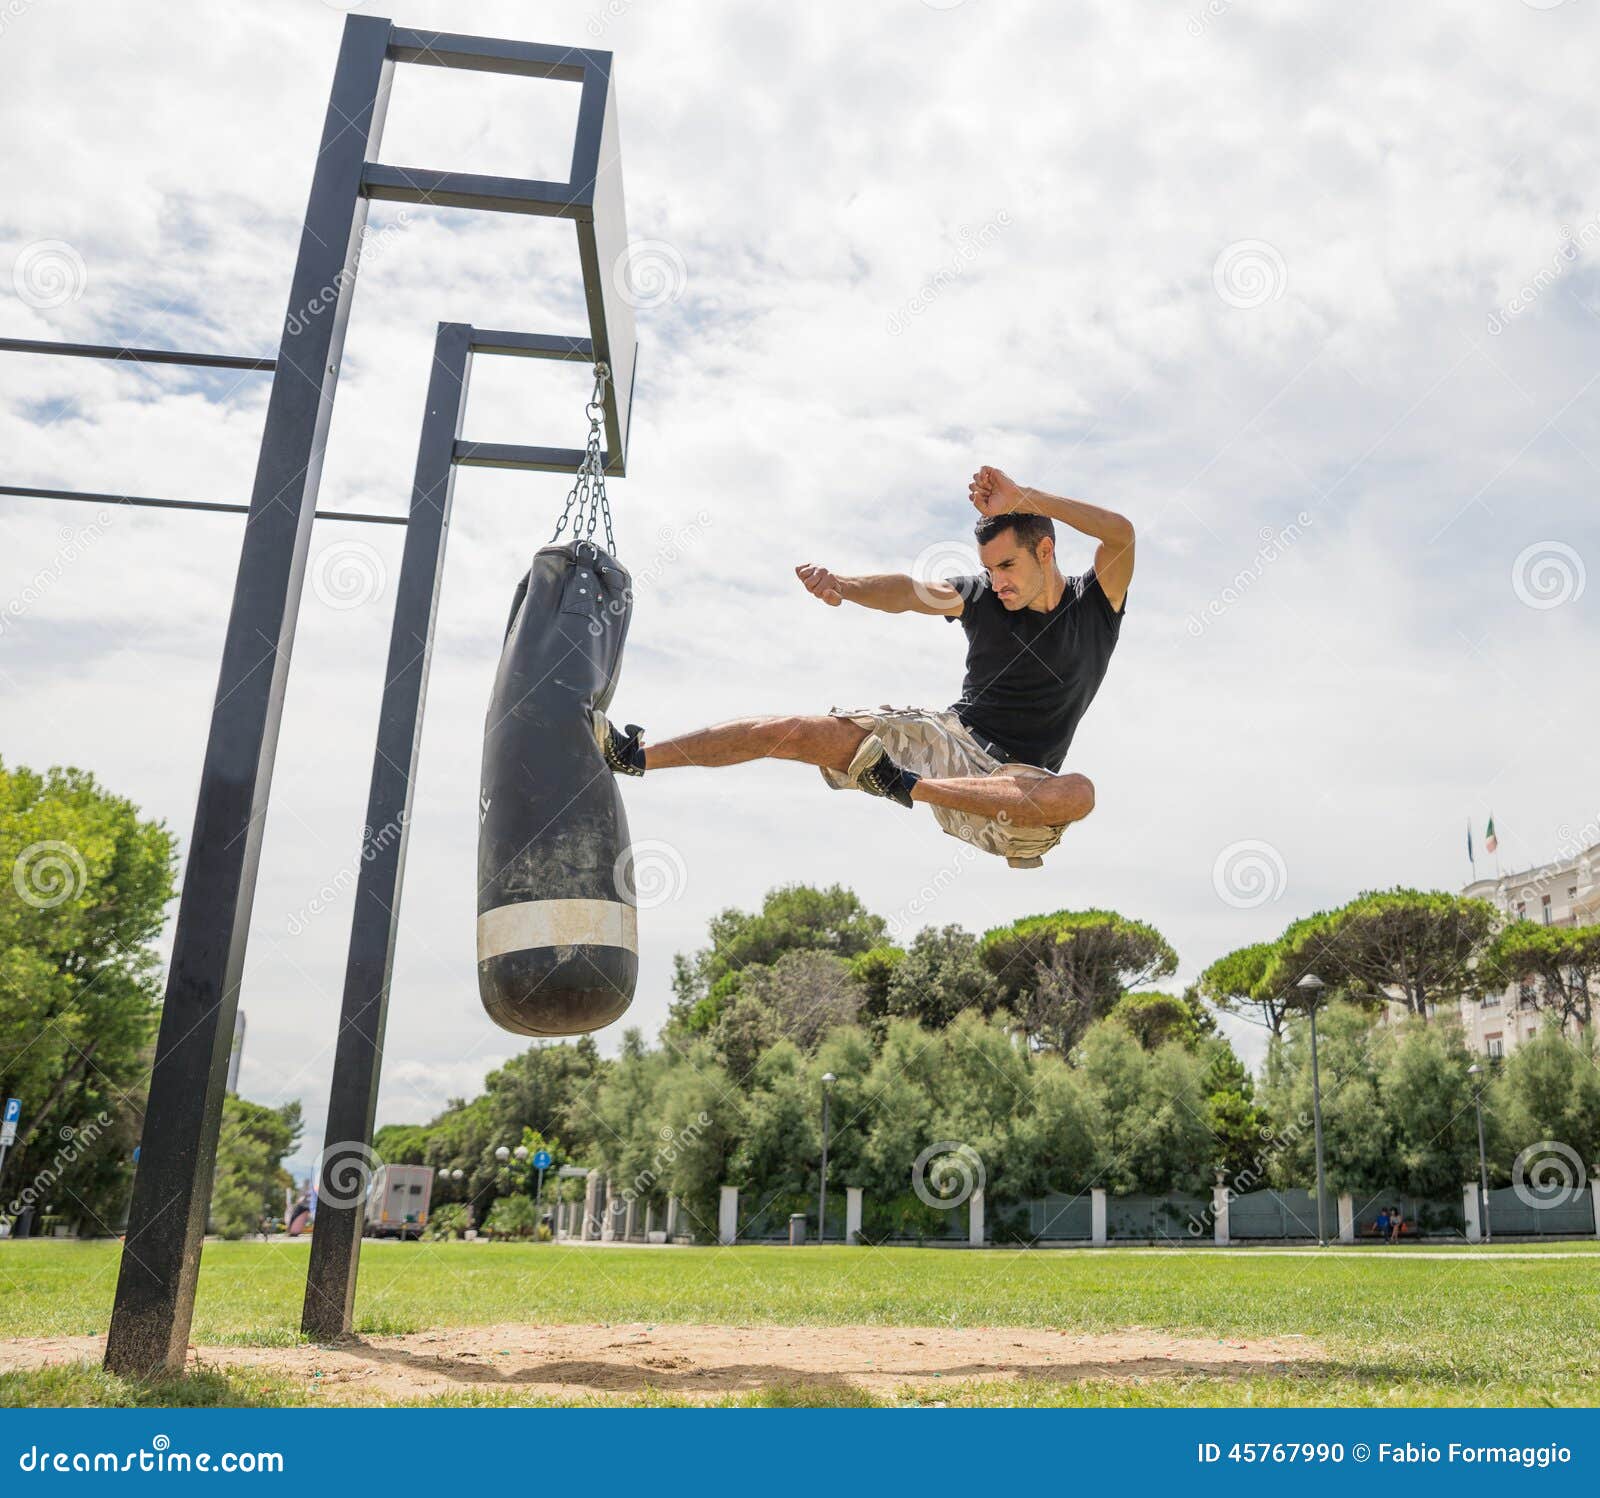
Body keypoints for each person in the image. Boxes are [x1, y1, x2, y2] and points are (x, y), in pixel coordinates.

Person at [593, 467, 1134, 868]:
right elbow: (908, 591)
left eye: (1008, 566)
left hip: (1018, 789)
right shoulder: (982, 598)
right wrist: (844, 587)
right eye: (989, 569)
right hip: (947, 740)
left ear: (1045, 551)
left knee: (1078, 793)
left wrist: (1025, 496)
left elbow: (1121, 533)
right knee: (791, 731)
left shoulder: (1096, 603)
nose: (998, 582)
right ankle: (634, 755)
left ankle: (904, 785)